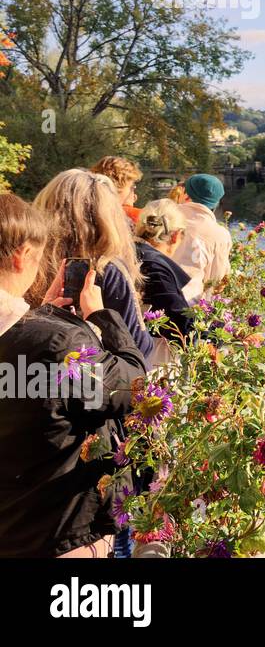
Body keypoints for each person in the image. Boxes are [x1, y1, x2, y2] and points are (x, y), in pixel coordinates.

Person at [0, 194, 148, 557]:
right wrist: (100, 317)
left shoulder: (44, 335)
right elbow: (135, 387)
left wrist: (46, 316)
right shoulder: (57, 342)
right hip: (56, 531)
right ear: (22, 255)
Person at [31, 169, 156, 368]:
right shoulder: (107, 270)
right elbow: (138, 346)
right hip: (94, 384)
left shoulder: (27, 262)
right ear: (109, 218)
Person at [134, 199, 196, 338]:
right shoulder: (156, 268)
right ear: (175, 235)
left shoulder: (131, 252)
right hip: (154, 351)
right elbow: (182, 323)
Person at [174, 174, 231, 300]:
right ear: (216, 203)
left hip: (154, 304)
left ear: (186, 194)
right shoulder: (220, 234)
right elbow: (217, 278)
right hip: (190, 306)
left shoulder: (166, 218)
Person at [89, 156, 144, 227]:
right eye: (132, 187)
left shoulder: (82, 212)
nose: (134, 195)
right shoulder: (137, 216)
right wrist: (129, 206)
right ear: (119, 187)